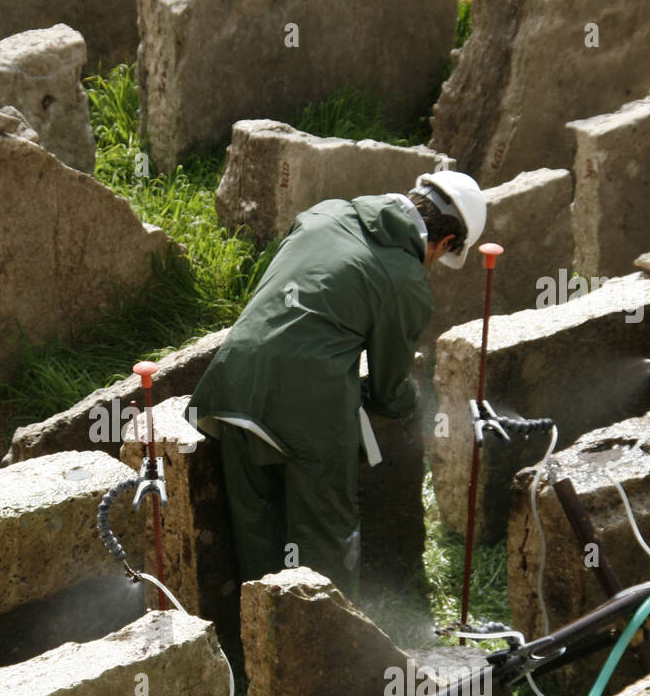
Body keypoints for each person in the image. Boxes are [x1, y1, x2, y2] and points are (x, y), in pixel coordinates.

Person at [188, 171, 487, 606]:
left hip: (231, 383)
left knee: (257, 537)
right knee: (326, 546)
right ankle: (329, 655)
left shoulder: (326, 212)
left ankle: (256, 657)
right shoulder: (404, 278)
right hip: (305, 408)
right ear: (445, 242)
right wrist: (418, 405)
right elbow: (389, 388)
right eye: (440, 258)